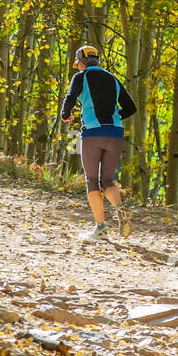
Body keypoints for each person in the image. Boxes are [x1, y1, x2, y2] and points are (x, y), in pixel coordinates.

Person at [60, 45, 137, 240]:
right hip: (116, 133)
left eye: (77, 63)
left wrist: (65, 115)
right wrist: (114, 116)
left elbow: (69, 97)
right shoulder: (112, 78)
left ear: (81, 62)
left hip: (93, 133)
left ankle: (101, 228)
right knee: (107, 181)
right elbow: (130, 107)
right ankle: (120, 208)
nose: (77, 66)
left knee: (92, 180)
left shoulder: (80, 77)